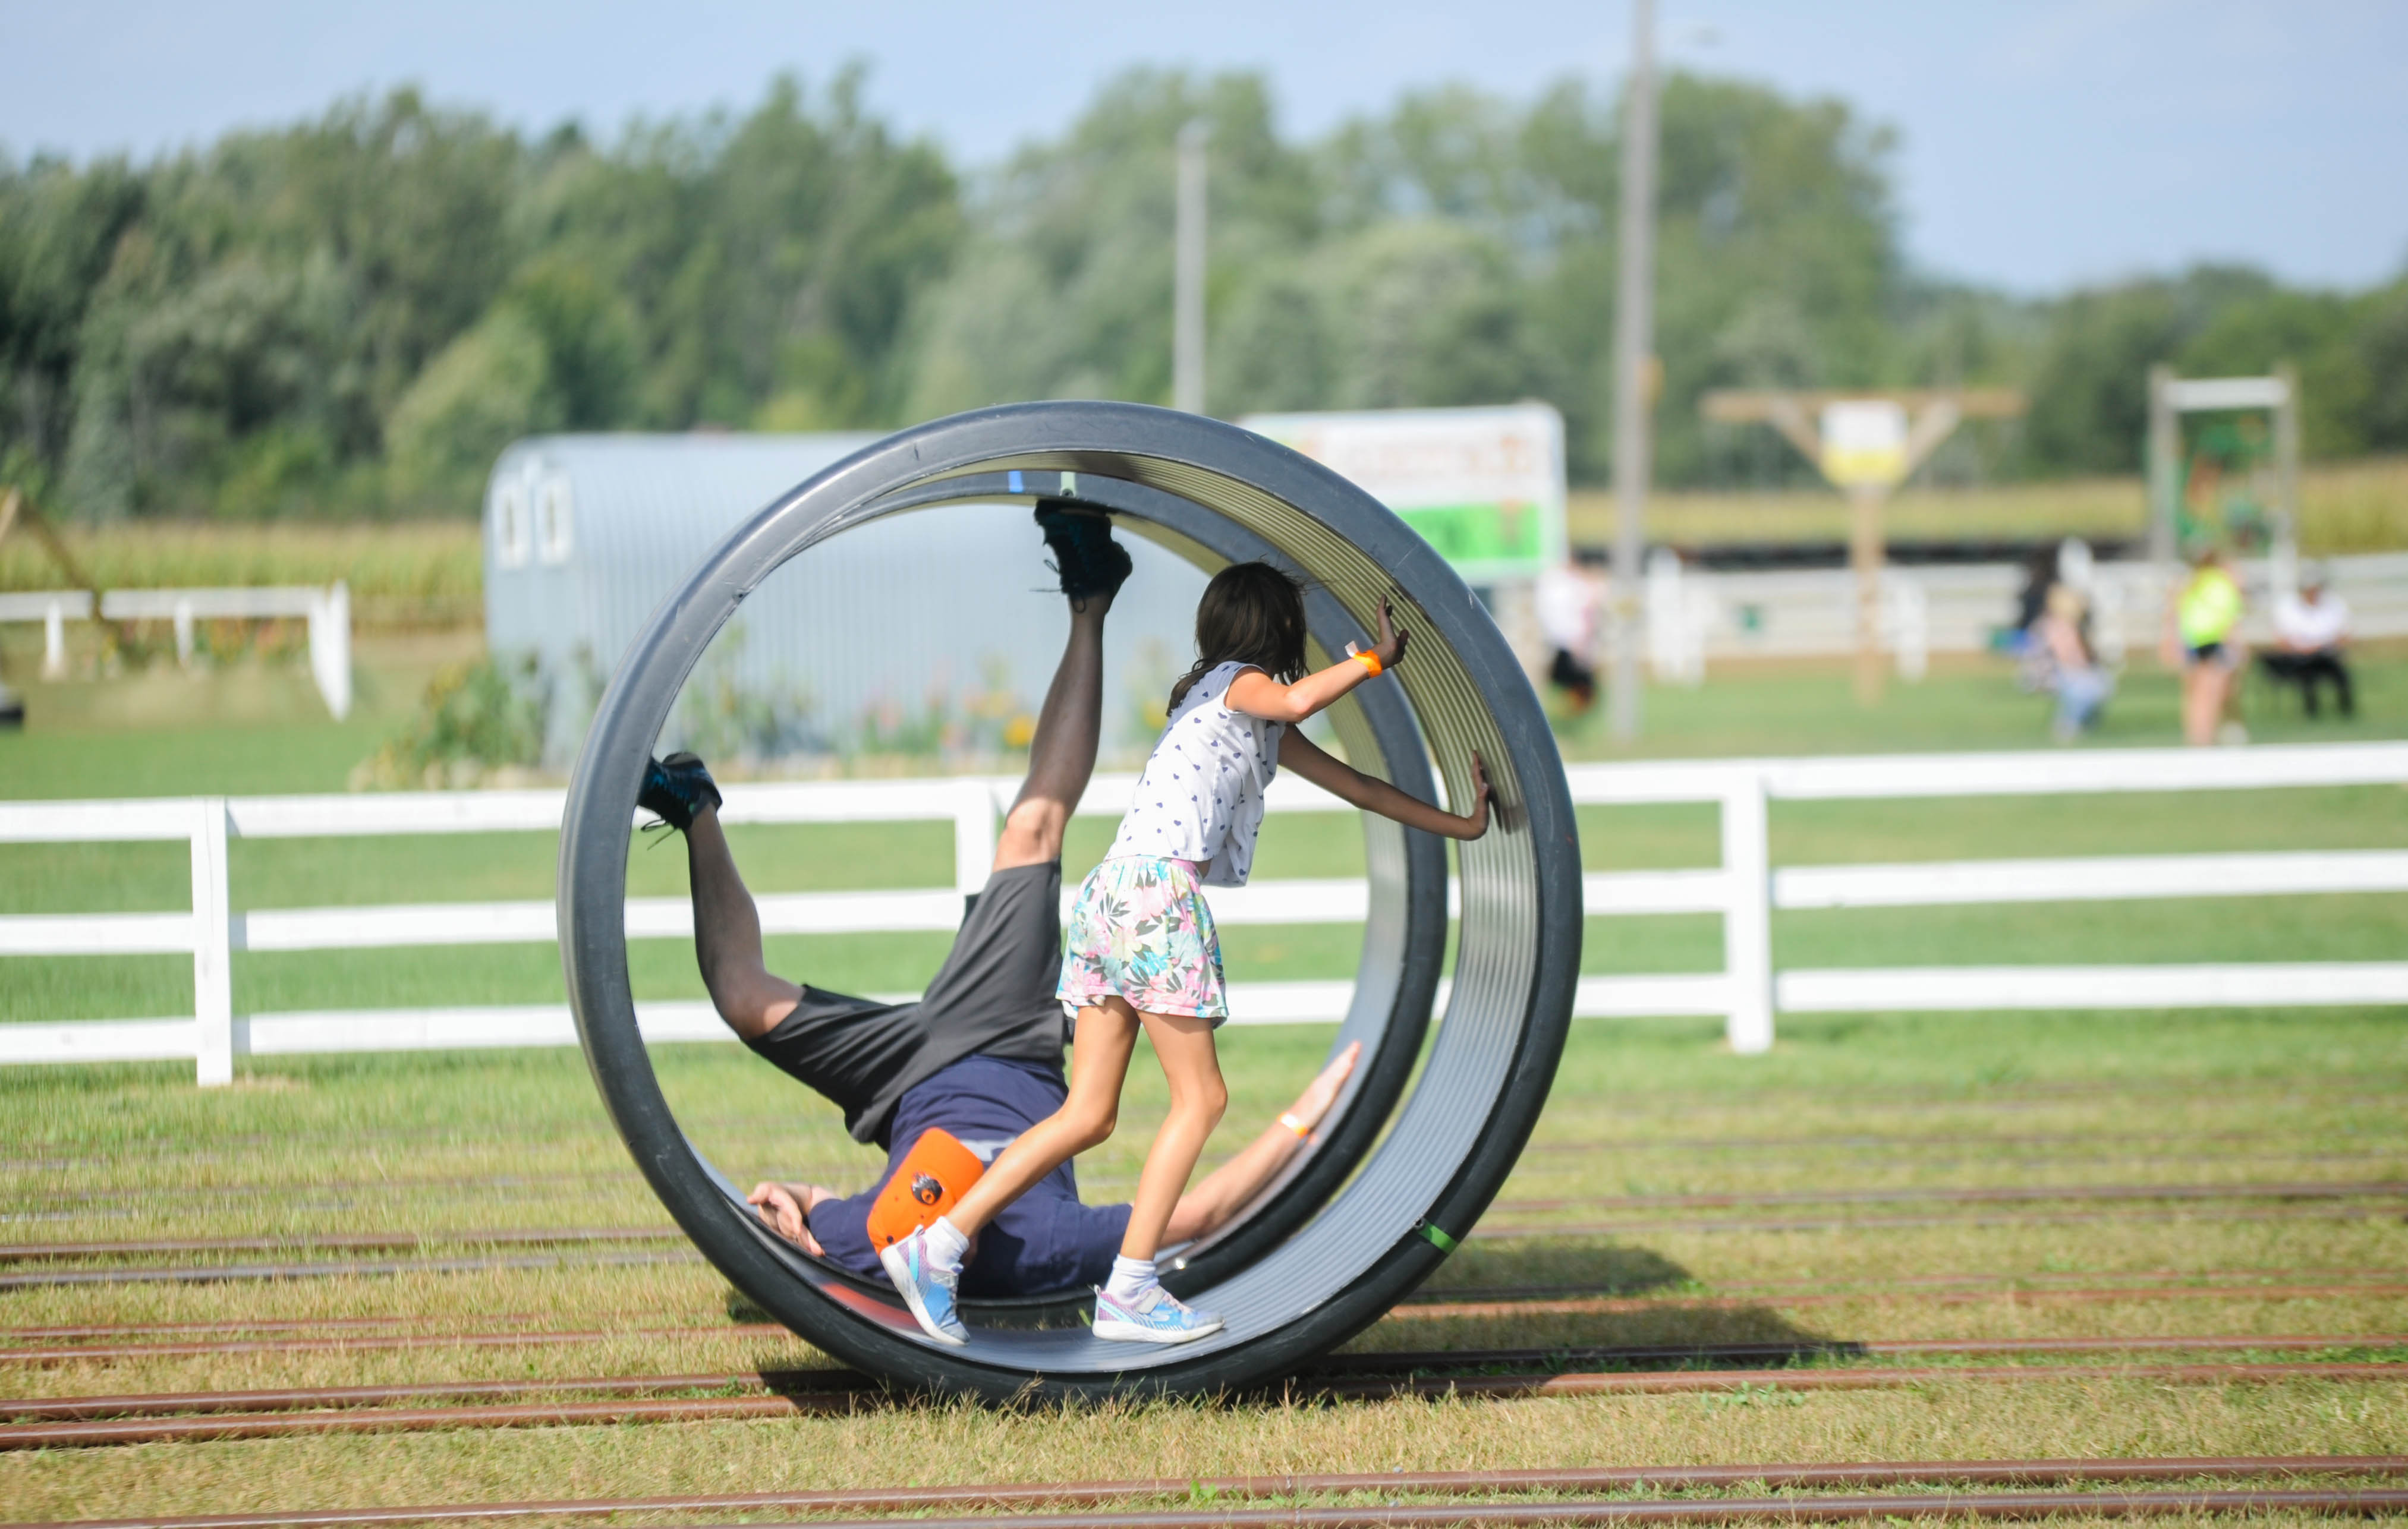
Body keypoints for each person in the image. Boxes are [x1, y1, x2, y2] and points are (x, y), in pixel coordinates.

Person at [637, 507, 1361, 1305]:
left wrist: (788, 1204)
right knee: (1030, 831)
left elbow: (806, 1208)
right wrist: (1311, 1111)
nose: (938, 1227)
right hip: (1012, 1038)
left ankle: (694, 806)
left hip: (899, 1074)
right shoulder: (1040, 1248)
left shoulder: (883, 1237)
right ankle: (1092, 599)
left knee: (743, 999)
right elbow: (1201, 1214)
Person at [882, 560, 1494, 1348]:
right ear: (1274, 630)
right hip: (1156, 896)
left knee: (1087, 1114)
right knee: (1200, 1099)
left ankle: (937, 1246)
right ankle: (1130, 1290)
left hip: (1111, 894)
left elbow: (1362, 788)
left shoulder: (1239, 714)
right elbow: (1298, 696)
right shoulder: (1236, 684)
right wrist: (1375, 659)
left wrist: (1463, 824)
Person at [2165, 546, 2245, 746]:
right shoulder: (2222, 583)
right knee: (2212, 693)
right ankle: (2206, 738)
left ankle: (2197, 737)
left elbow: (2174, 613)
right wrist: (2237, 646)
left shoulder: (2189, 583)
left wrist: (2171, 642)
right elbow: (2229, 617)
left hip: (2192, 641)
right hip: (2214, 640)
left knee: (2195, 695)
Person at [2260, 566, 2354, 719]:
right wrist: (2301, 649)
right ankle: (2312, 712)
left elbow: (2345, 634)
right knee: (2307, 677)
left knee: (2341, 676)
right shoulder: (2288, 606)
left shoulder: (2334, 604)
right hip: (2300, 657)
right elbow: (2280, 638)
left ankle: (2347, 712)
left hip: (2326, 655)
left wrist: (2327, 647)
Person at [2034, 584, 2110, 742]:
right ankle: (2071, 723)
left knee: (2093, 688)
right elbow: (2067, 653)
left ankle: (2079, 722)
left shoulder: (2060, 624)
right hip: (2066, 671)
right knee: (2090, 689)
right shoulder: (2060, 626)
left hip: (2067, 671)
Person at [1535, 558, 1600, 713]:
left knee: (1571, 676)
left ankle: (1577, 705)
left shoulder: (1570, 585)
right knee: (1565, 675)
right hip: (1563, 639)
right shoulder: (1562, 584)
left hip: (1570, 639)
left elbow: (1585, 612)